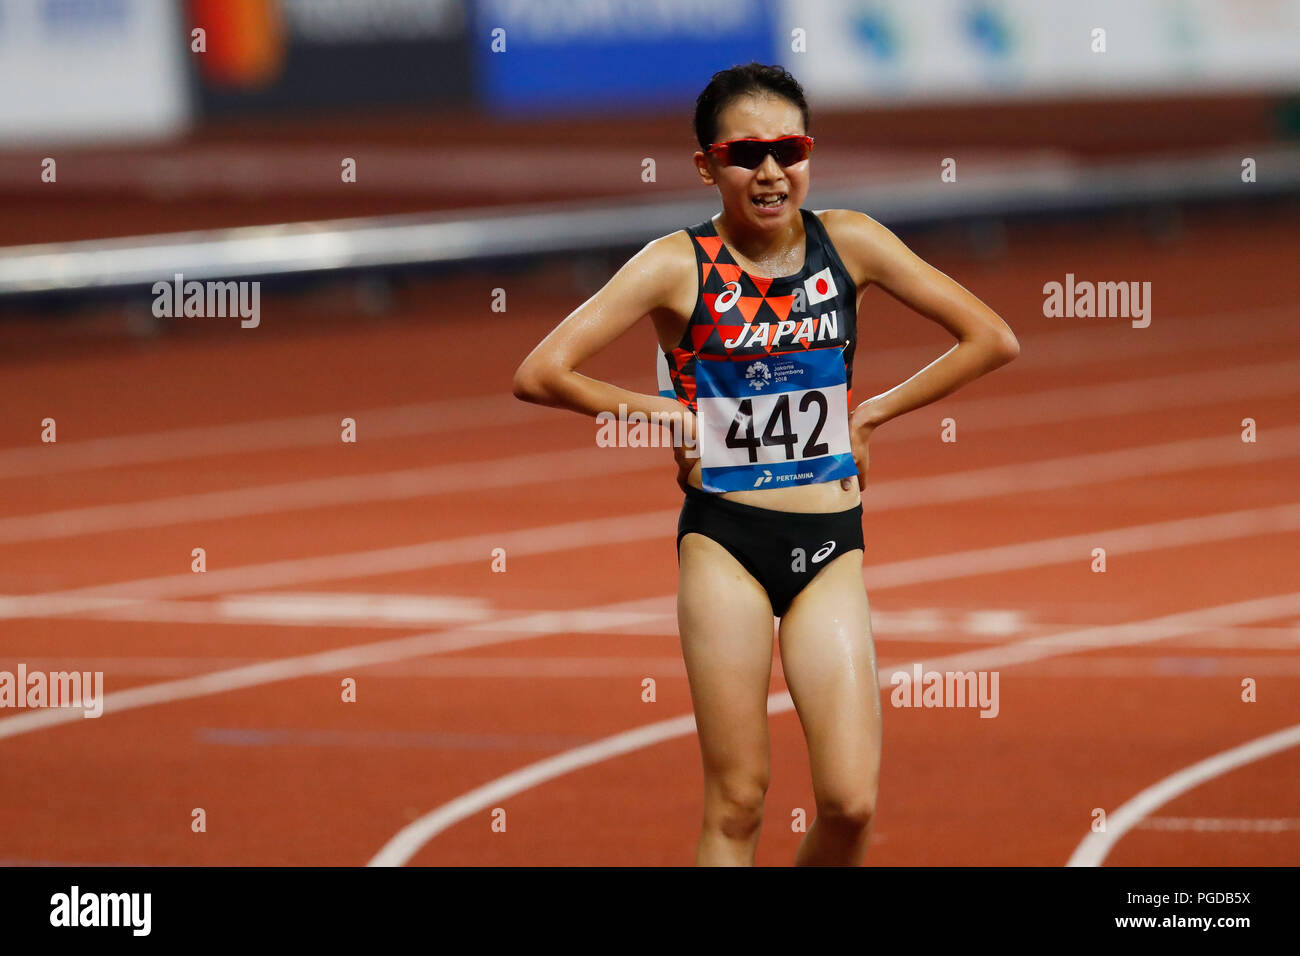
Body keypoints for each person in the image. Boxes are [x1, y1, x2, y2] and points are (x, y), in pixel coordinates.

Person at [512, 62, 1018, 866]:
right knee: (739, 803)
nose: (772, 171)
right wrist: (661, 415)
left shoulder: (850, 242)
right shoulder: (674, 264)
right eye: (747, 154)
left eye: (791, 148)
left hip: (830, 545)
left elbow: (993, 337)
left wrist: (872, 413)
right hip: (725, 545)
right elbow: (540, 372)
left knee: (850, 804)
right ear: (706, 166)